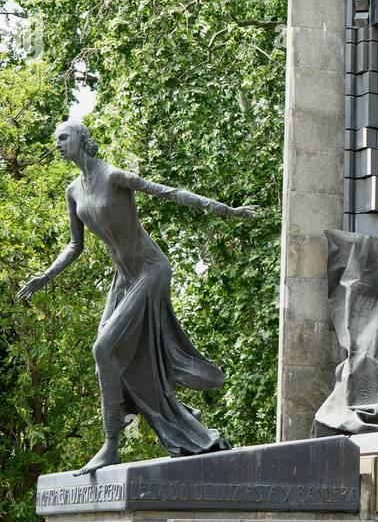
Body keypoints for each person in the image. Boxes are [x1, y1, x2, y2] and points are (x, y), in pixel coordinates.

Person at [18, 121, 256, 474]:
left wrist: (229, 211)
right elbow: (75, 245)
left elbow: (170, 192)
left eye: (63, 137)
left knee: (103, 348)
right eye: (55, 139)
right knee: (112, 358)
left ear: (81, 139)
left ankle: (111, 445)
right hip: (124, 278)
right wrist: (44, 277)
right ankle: (175, 424)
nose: (58, 144)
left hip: (150, 270)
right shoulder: (74, 191)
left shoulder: (113, 175)